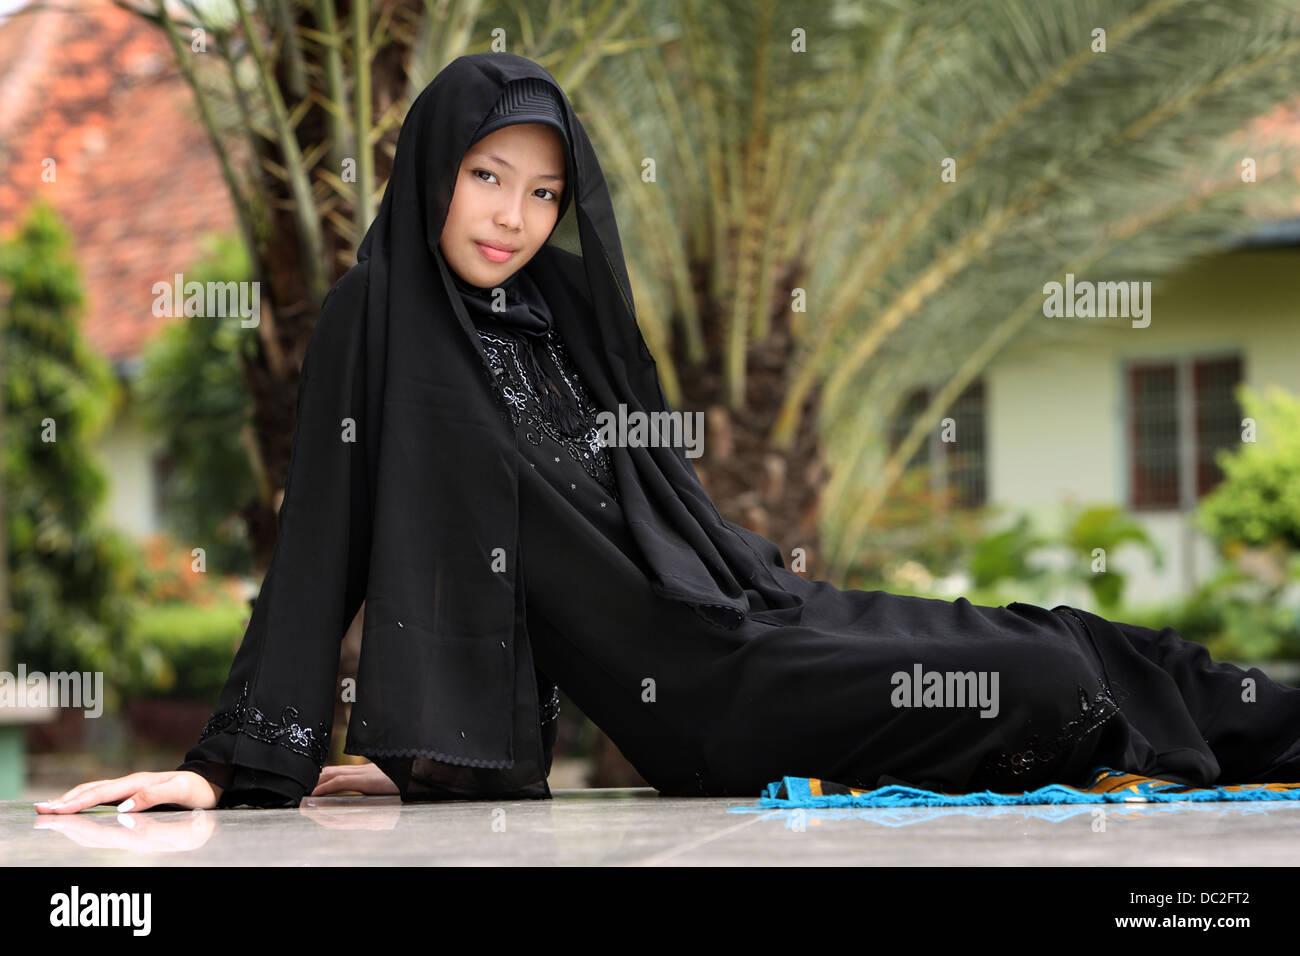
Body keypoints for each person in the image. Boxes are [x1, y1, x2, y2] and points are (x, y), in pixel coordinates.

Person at [35, 53, 1300, 816]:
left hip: (748, 614)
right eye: (486, 176)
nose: (513, 216)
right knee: (1050, 690)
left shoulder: (556, 313)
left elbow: (603, 524)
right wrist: (238, 763)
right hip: (709, 704)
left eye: (543, 191)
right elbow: (324, 539)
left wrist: (423, 755)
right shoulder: (379, 318)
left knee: (1061, 634)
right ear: (432, 169)